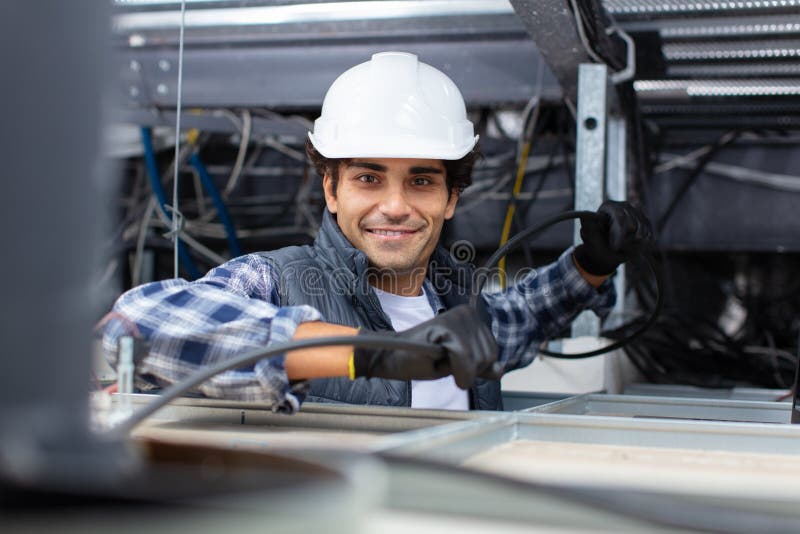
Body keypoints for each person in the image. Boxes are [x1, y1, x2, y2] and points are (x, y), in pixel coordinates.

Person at [103, 51, 652, 413]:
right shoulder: (278, 282)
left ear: (450, 196)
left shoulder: (455, 304)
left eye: (420, 180)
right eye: (369, 177)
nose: (395, 206)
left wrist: (591, 265)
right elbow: (136, 323)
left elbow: (523, 317)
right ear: (331, 189)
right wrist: (369, 353)